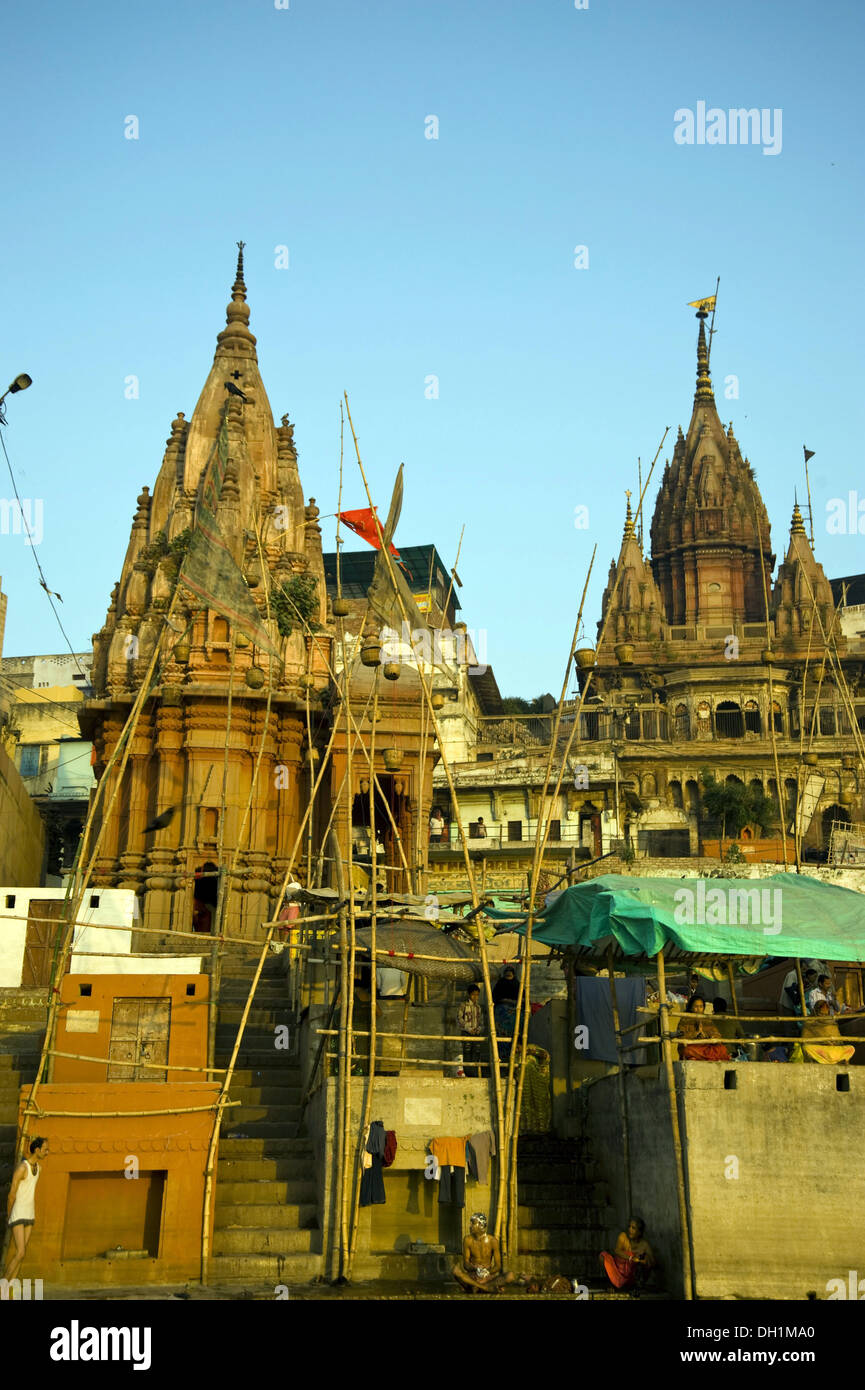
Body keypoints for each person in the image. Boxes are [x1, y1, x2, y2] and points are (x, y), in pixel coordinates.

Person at [5, 1136, 47, 1284]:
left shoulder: (39, 1168)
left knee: (22, 1254)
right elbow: (12, 1194)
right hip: (18, 1212)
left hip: (30, 1213)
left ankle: (9, 1287)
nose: (47, 1152)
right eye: (45, 1149)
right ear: (37, 1150)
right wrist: (10, 1215)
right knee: (20, 1252)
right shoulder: (22, 1168)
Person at [452, 1212, 514, 1293]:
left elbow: (498, 1266)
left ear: (481, 1225)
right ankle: (485, 1288)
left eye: (473, 1223)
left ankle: (478, 1287)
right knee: (455, 1270)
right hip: (473, 1276)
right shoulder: (467, 1240)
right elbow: (466, 1264)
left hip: (488, 1277)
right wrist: (475, 1269)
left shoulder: (493, 1241)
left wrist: (487, 1272)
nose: (470, 1226)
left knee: (510, 1276)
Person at [600, 1217, 656, 1292]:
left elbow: (653, 1262)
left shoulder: (644, 1245)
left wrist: (642, 1260)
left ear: (639, 1232)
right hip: (618, 1274)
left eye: (633, 1228)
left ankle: (637, 1286)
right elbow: (617, 1251)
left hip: (632, 1277)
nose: (630, 1229)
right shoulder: (623, 1236)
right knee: (603, 1256)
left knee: (646, 1258)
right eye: (629, 1226)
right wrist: (631, 1257)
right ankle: (612, 1284)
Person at [676, 996, 730, 1061]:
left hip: (706, 1048)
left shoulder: (707, 1020)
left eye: (701, 1006)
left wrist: (710, 1037)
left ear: (703, 1008)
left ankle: (700, 1057)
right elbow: (680, 1036)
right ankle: (704, 1057)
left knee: (722, 1049)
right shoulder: (685, 1019)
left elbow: (717, 1035)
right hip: (693, 1047)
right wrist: (695, 1034)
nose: (698, 1009)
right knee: (687, 1051)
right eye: (696, 1006)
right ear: (691, 1008)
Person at [802, 999, 855, 1065]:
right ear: (817, 1009)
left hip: (834, 1050)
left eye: (827, 1007)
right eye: (823, 1007)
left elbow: (839, 1040)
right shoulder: (810, 1022)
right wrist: (823, 1042)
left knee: (851, 1048)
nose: (825, 1009)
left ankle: (834, 1061)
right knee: (806, 1048)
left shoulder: (832, 1022)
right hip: (822, 1051)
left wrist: (834, 1043)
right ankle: (830, 1062)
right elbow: (806, 1040)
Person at [493, 966, 520, 1063]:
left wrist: (514, 1003)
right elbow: (495, 998)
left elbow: (523, 999)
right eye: (507, 973)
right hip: (501, 1015)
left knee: (514, 1038)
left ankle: (511, 1060)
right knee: (501, 1038)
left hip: (513, 1016)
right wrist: (505, 1001)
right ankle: (501, 1060)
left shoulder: (517, 984)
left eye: (510, 973)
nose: (508, 975)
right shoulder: (500, 984)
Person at [458, 984, 485, 1077]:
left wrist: (479, 1029)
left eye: (477, 995)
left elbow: (481, 1021)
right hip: (466, 1033)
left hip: (476, 1034)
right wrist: (469, 1029)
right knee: (467, 1052)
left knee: (476, 1053)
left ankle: (474, 1073)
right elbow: (459, 1019)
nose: (475, 997)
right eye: (473, 994)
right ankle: (468, 1073)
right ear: (469, 994)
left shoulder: (478, 1007)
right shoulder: (463, 1005)